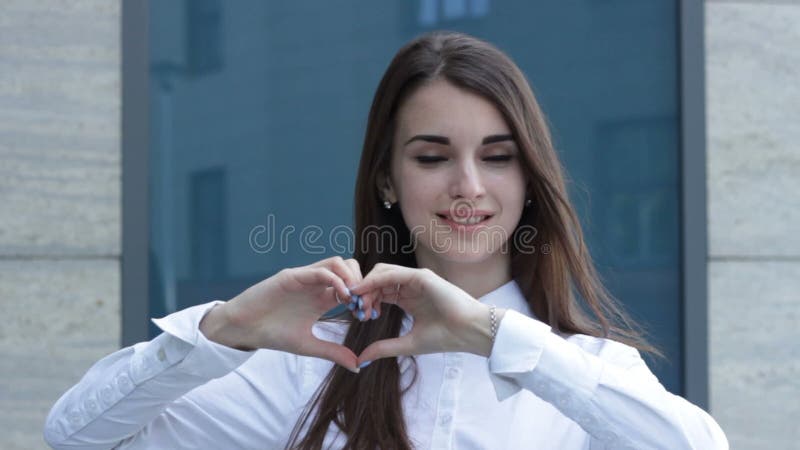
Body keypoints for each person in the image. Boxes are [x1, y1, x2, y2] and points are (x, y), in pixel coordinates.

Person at [44, 31, 729, 450]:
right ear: (389, 182)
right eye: (432, 158)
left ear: (529, 180)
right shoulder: (316, 362)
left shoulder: (583, 371)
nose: (468, 186)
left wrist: (496, 336)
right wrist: (224, 330)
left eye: (496, 156)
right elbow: (75, 436)